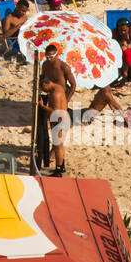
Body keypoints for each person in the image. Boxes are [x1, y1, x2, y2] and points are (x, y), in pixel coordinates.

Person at [39, 43, 76, 177]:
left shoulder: (63, 66)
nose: (49, 59)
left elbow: (73, 85)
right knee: (57, 141)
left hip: (60, 105)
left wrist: (66, 100)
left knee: (58, 143)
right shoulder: (45, 66)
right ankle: (61, 165)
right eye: (47, 56)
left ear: (57, 54)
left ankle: (59, 169)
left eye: (52, 57)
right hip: (57, 102)